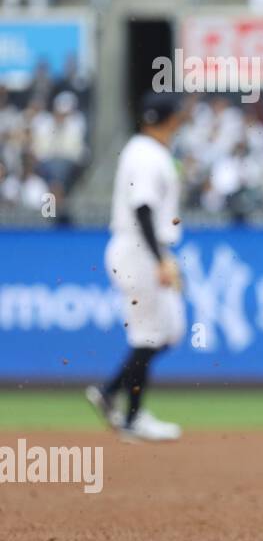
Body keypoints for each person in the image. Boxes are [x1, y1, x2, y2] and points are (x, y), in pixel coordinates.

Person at [86, 94, 188, 441]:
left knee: (170, 328)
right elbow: (143, 208)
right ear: (171, 119)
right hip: (138, 251)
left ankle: (113, 392)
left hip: (144, 249)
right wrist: (159, 259)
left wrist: (163, 256)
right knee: (149, 334)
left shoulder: (143, 149)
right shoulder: (147, 154)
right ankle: (131, 415)